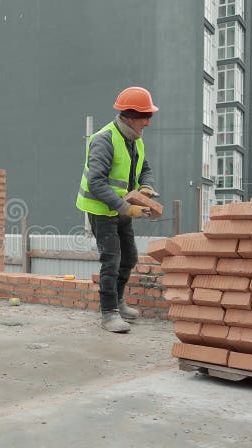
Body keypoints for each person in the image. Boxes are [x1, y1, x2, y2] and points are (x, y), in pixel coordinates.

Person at [75, 86, 159, 333]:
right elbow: (96, 182)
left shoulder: (135, 140)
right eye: (146, 117)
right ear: (131, 117)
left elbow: (145, 169)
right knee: (111, 260)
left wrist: (146, 187)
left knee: (130, 257)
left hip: (122, 209)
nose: (148, 122)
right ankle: (108, 313)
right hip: (101, 209)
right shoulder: (104, 139)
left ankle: (118, 302)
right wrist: (126, 207)